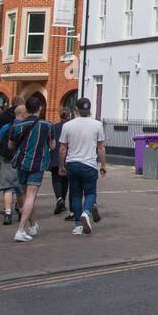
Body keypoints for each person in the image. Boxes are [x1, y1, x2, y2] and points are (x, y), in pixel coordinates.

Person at [59, 97, 107, 236]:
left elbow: (62, 148)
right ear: (89, 109)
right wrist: (103, 165)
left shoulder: (67, 125)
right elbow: (101, 148)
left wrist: (61, 165)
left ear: (76, 109)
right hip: (89, 164)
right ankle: (86, 212)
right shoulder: (97, 125)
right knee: (90, 193)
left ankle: (78, 225)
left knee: (75, 195)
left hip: (72, 164)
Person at [10, 95, 54, 243]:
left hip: (21, 163)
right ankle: (20, 230)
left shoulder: (16, 126)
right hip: (37, 163)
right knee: (30, 196)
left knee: (25, 195)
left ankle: (33, 225)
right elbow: (53, 145)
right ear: (40, 108)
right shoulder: (47, 125)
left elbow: (10, 145)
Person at [0, 104, 27, 225]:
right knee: (20, 189)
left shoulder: (6, 127)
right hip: (21, 161)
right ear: (24, 114)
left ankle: (7, 212)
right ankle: (20, 210)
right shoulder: (27, 127)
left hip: (7, 160)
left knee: (8, 188)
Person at [48, 107, 71, 216]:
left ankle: (59, 199)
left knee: (56, 178)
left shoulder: (54, 126)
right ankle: (63, 201)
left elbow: (50, 140)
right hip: (68, 156)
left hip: (55, 155)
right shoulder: (71, 127)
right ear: (69, 116)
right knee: (65, 180)